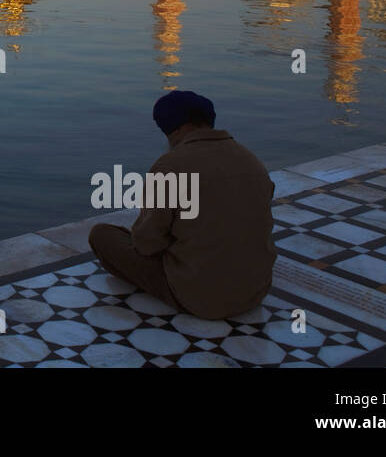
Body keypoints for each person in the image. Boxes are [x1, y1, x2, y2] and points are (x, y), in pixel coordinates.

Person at [88, 91, 275, 319]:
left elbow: (147, 244)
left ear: (177, 128)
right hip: (256, 290)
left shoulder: (171, 165)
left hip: (199, 298)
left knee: (103, 235)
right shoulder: (250, 159)